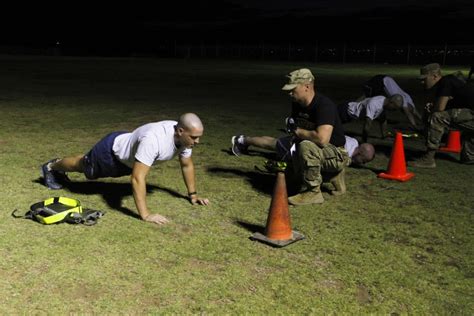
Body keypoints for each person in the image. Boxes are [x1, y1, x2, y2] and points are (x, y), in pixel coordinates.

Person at [40, 113, 210, 225]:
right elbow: (137, 178)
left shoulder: (185, 138)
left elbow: (186, 164)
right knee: (85, 167)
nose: (197, 142)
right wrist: (146, 215)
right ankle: (52, 166)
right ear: (180, 131)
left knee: (85, 164)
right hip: (110, 154)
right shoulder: (154, 140)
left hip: (126, 158)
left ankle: (61, 165)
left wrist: (193, 195)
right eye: (194, 138)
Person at [232, 68, 350, 206]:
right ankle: (333, 175)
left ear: (307, 87)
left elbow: (322, 139)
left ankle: (313, 192)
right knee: (289, 178)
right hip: (318, 151)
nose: (289, 93)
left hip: (336, 154)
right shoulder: (298, 104)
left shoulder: (324, 105)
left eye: (293, 88)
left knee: (305, 146)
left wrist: (299, 132)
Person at [411, 63, 474, 168]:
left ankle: (428, 159)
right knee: (466, 128)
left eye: (424, 79)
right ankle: (470, 157)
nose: (422, 82)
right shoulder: (450, 81)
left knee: (438, 117)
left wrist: (431, 110)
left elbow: (440, 108)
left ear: (434, 76)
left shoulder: (445, 82)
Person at [338, 94, 404, 142]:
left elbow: (383, 120)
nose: (393, 111)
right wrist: (364, 141)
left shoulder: (383, 101)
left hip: (350, 115)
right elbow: (367, 124)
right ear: (391, 103)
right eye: (394, 108)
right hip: (345, 111)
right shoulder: (374, 104)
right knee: (333, 127)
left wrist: (384, 136)